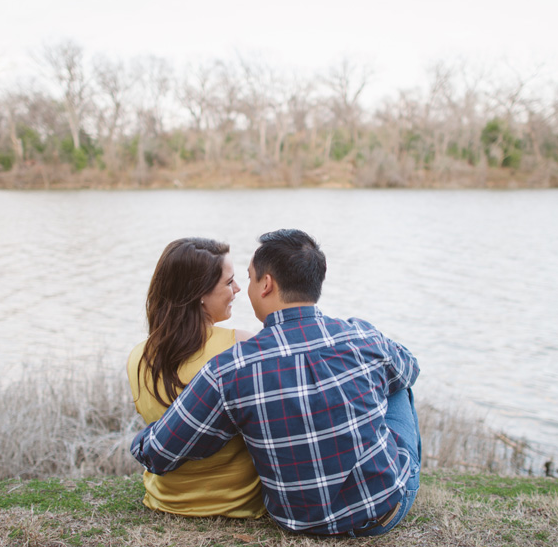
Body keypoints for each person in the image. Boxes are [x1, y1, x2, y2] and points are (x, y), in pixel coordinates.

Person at [131, 229, 421, 536]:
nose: (243, 288)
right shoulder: (361, 335)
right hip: (382, 512)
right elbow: (410, 369)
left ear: (266, 284)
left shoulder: (231, 367)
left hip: (301, 522)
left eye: (249, 278)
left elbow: (157, 453)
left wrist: (147, 435)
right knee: (398, 384)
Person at [126, 237, 265, 518]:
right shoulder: (243, 346)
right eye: (229, 282)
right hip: (236, 502)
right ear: (200, 293)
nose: (238, 289)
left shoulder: (138, 356)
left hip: (167, 499)